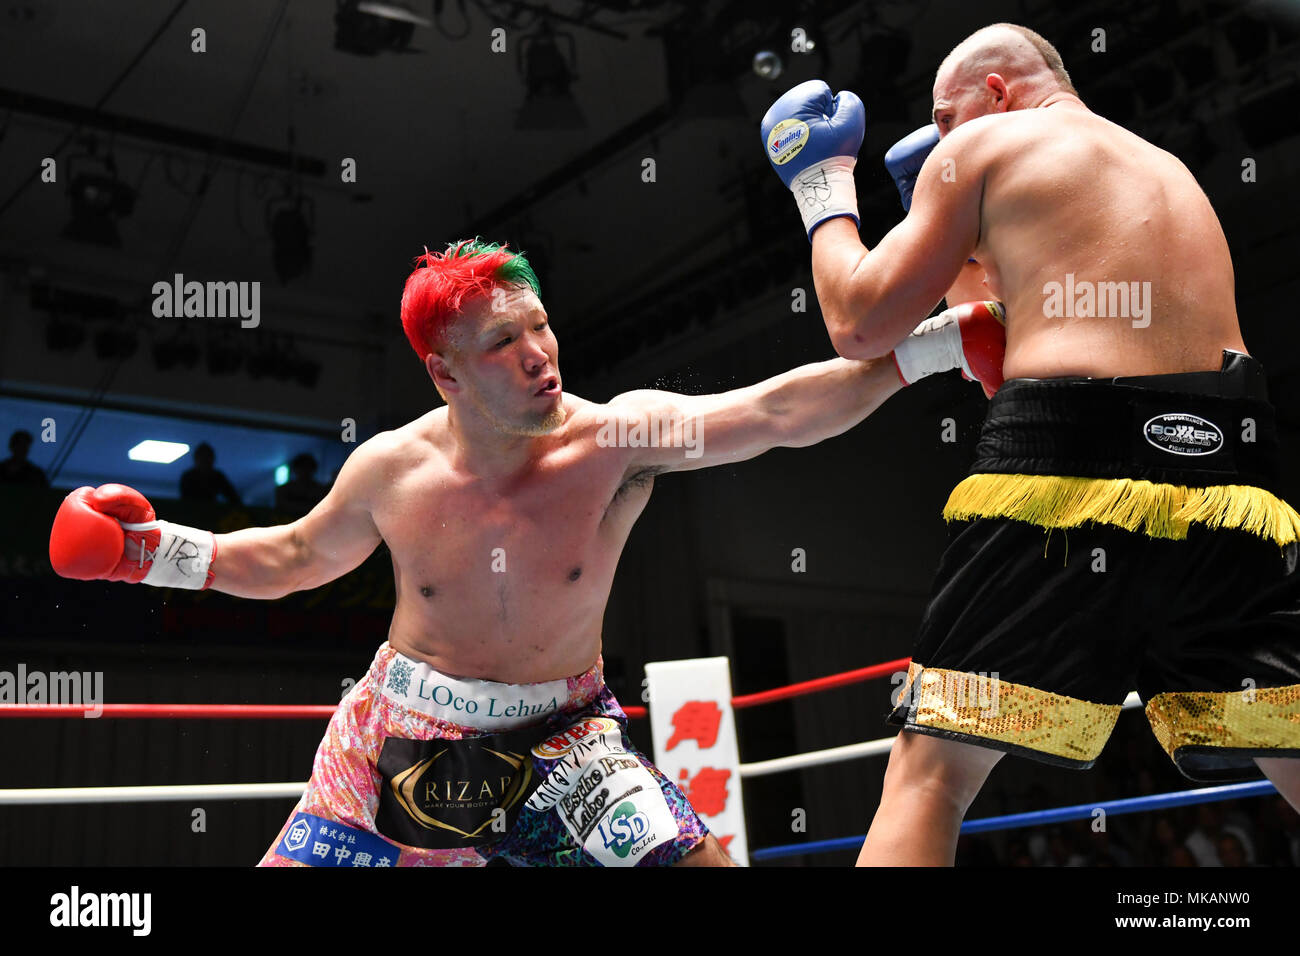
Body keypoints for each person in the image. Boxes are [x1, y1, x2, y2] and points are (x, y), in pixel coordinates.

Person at [47, 238, 1005, 867]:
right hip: (399, 738)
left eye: (541, 325)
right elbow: (296, 557)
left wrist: (931, 349)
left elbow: (778, 414)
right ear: (445, 373)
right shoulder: (392, 468)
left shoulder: (617, 440)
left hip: (566, 741)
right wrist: (151, 555)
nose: (542, 352)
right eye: (506, 342)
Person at [760, 22, 1300, 866]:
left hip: (1070, 466)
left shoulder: (984, 146)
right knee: (1292, 742)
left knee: (932, 775)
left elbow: (857, 322)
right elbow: (1017, 324)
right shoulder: (1167, 167)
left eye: (945, 118)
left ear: (998, 93)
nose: (940, 140)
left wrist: (819, 183)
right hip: (1233, 475)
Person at [274, 453, 329, 517]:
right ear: (296, 469)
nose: (305, 471)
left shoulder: (320, 490)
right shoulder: (283, 489)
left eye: (308, 467)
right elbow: (281, 507)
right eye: (302, 467)